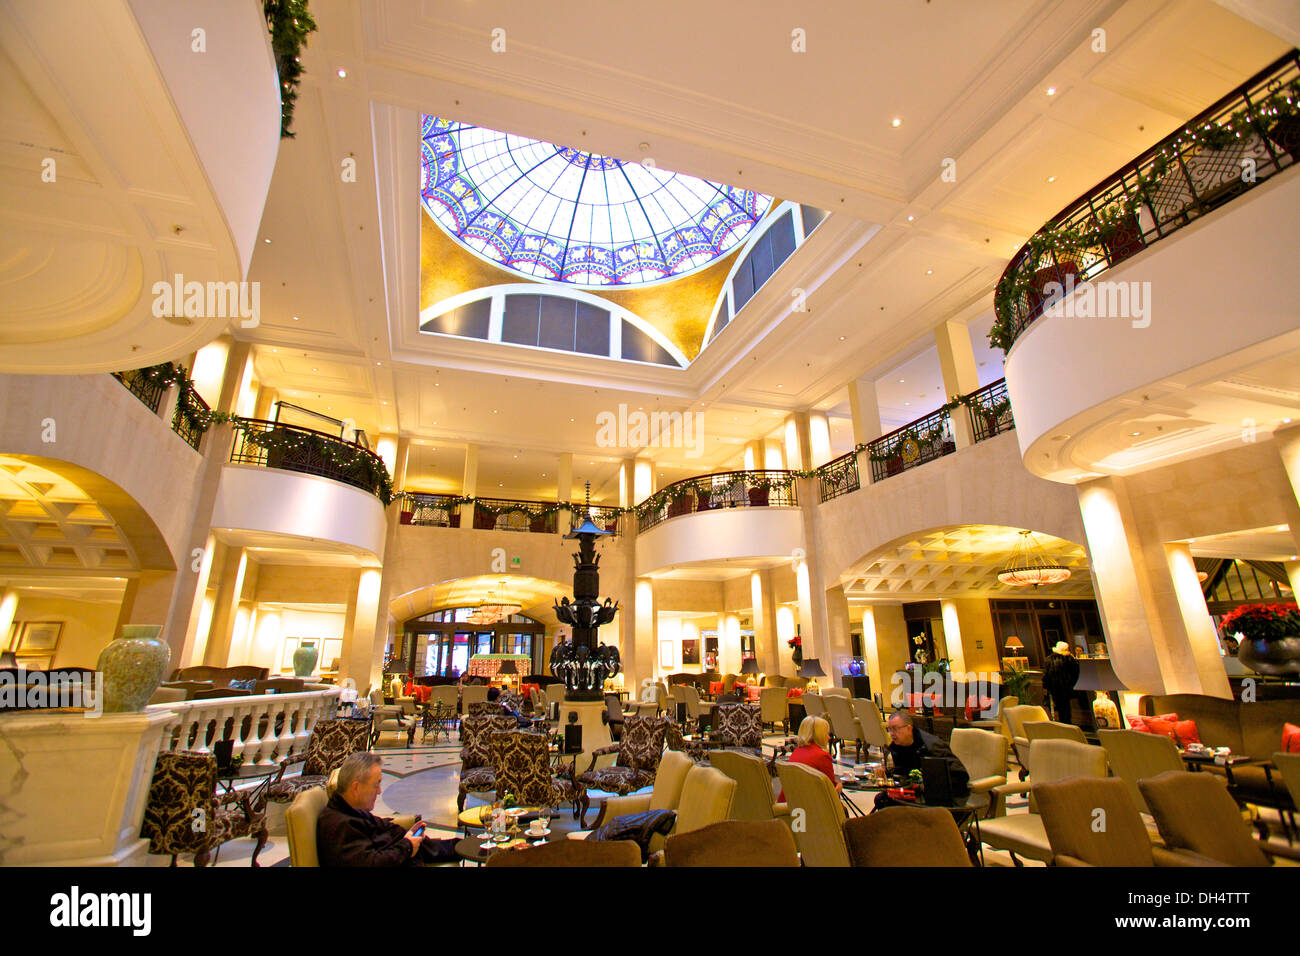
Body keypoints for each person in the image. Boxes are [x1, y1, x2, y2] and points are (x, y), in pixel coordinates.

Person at [316, 752, 458, 866]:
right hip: (399, 858)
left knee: (445, 847)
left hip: (401, 853)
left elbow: (383, 827)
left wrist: (409, 838)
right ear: (356, 787)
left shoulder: (351, 810)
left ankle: (459, 846)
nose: (379, 791)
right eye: (375, 785)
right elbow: (372, 863)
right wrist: (407, 846)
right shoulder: (340, 826)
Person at [873, 709, 969, 811]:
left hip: (944, 796)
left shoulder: (931, 746)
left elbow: (960, 775)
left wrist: (925, 785)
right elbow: (900, 773)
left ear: (909, 729)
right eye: (890, 729)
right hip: (914, 791)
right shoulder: (896, 747)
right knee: (882, 799)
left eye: (895, 729)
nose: (892, 734)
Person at [777, 715, 841, 802]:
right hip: (808, 806)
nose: (829, 737)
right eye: (826, 733)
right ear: (819, 735)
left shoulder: (797, 752)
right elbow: (830, 791)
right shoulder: (822, 756)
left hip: (790, 802)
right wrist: (839, 786)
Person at [1042, 641, 1080, 723]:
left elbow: (1046, 675)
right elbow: (1075, 673)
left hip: (1054, 687)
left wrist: (1046, 686)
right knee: (1066, 707)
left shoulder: (1049, 659)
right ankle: (1067, 723)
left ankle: (1061, 722)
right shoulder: (1069, 659)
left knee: (1059, 707)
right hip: (1067, 687)